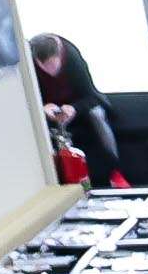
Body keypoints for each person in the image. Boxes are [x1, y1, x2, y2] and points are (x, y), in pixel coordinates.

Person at [31, 31, 122, 187]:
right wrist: (41, 108)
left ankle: (114, 169)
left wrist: (74, 108)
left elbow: (91, 96)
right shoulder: (27, 63)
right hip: (46, 109)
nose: (51, 73)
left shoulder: (72, 58)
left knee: (98, 115)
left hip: (76, 106)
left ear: (60, 53)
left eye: (54, 67)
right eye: (44, 68)